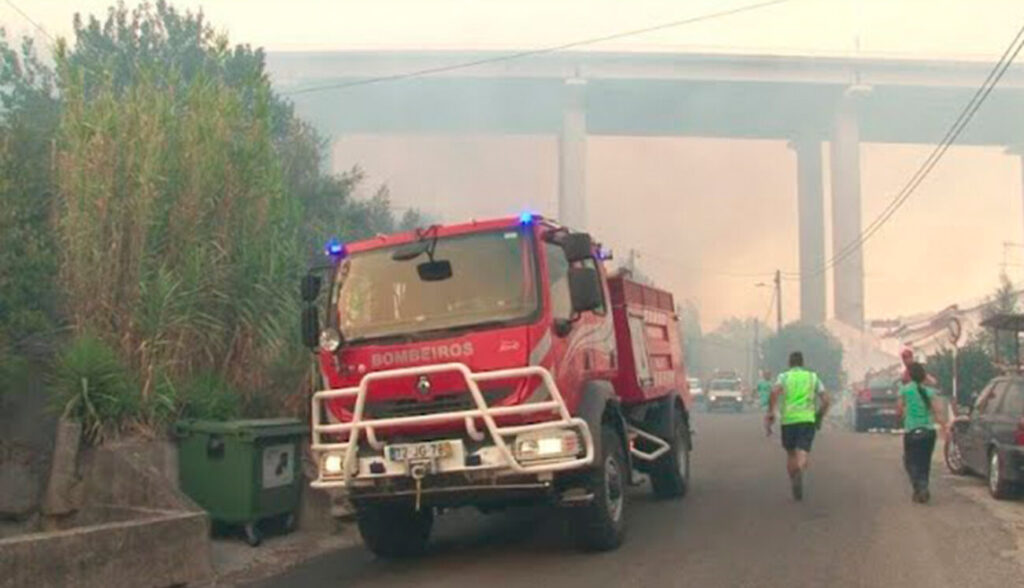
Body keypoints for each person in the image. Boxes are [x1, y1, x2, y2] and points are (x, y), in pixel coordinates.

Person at [765, 352, 829, 501]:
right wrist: (819, 415)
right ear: (802, 363)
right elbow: (826, 400)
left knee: (791, 453)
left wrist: (771, 412)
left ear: (790, 363)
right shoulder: (812, 377)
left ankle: (794, 475)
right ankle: (801, 467)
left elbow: (774, 392)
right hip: (807, 419)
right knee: (803, 451)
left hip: (788, 420)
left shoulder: (784, 377)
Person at [897, 362, 948, 504]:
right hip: (928, 432)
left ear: (910, 375)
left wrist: (904, 415)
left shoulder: (904, 390)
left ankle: (918, 487)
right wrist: (944, 428)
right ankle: (923, 486)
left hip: (911, 431)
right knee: (924, 462)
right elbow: (938, 411)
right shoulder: (930, 392)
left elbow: (899, 410)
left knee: (910, 461)